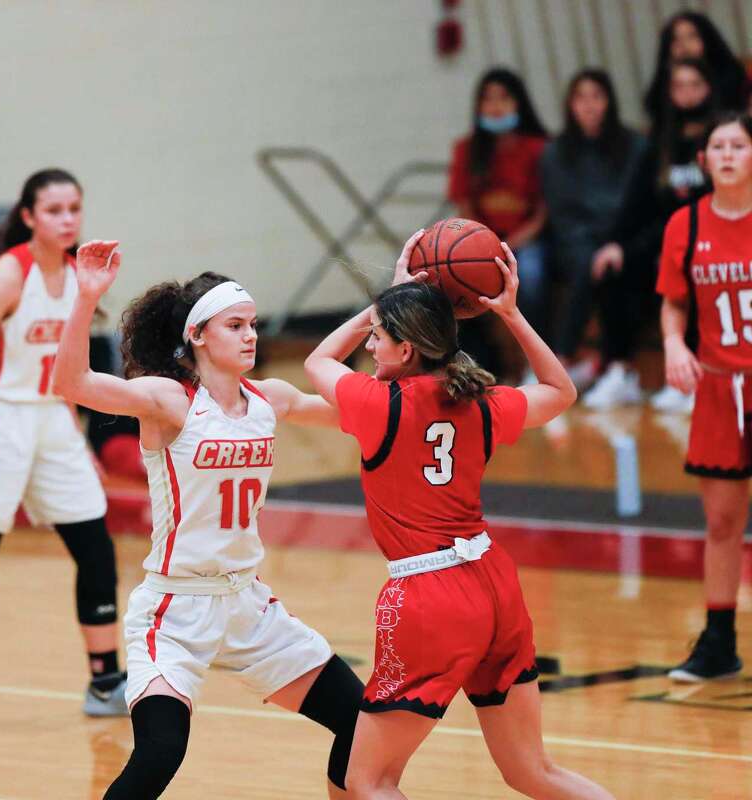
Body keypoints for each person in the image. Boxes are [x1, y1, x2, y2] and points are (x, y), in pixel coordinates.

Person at [304, 235, 614, 799]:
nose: (369, 345)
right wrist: (511, 314)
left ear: (405, 350)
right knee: (534, 772)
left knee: (367, 781)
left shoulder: (378, 405)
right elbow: (560, 390)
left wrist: (389, 298)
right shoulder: (481, 402)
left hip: (430, 595)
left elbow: (317, 361)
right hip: (494, 581)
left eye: (377, 337)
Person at [53, 241, 366, 799]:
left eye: (253, 325)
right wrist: (85, 298)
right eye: (235, 325)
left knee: (362, 723)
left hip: (249, 606)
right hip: (176, 609)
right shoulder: (169, 401)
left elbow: (365, 414)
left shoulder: (271, 398)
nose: (251, 336)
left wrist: (387, 312)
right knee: (160, 753)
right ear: (197, 335)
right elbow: (73, 384)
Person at [0, 169, 125, 736]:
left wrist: (79, 436)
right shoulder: (10, 273)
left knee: (96, 548)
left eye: (74, 208)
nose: (67, 219)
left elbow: (70, 366)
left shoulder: (80, 272)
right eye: (54, 210)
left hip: (52, 418)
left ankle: (105, 680)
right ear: (29, 216)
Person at [657, 112, 752, 682]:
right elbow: (674, 302)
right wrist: (673, 344)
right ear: (703, 160)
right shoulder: (685, 223)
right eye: (718, 146)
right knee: (721, 522)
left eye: (739, 145)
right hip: (719, 388)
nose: (728, 154)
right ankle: (719, 643)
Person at [586, 58, 716, 411]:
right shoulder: (659, 143)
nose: (687, 94)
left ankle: (693, 377)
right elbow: (635, 202)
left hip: (705, 236)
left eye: (695, 85)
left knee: (689, 269)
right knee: (612, 269)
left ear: (709, 89)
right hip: (660, 240)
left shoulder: (720, 139)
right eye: (679, 86)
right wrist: (615, 244)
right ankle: (621, 372)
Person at [540, 69, 645, 387]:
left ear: (609, 101)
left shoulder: (635, 146)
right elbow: (561, 214)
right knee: (590, 264)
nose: (589, 105)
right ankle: (566, 360)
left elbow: (638, 204)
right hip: (575, 243)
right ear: (570, 104)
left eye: (597, 96)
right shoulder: (555, 152)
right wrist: (596, 244)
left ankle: (604, 366)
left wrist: (617, 242)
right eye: (581, 97)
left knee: (616, 269)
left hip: (624, 240)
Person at [447, 67, 548, 375]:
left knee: (530, 275)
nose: (495, 106)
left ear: (519, 103)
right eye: (488, 99)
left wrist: (510, 244)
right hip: (481, 241)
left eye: (504, 98)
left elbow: (544, 212)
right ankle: (472, 364)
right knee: (448, 278)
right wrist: (487, 245)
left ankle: (535, 362)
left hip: (527, 240)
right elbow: (464, 208)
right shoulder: (466, 150)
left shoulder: (539, 149)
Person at [643, 12, 750, 127]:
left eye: (692, 36)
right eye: (675, 39)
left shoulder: (733, 79)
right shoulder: (662, 88)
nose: (684, 45)